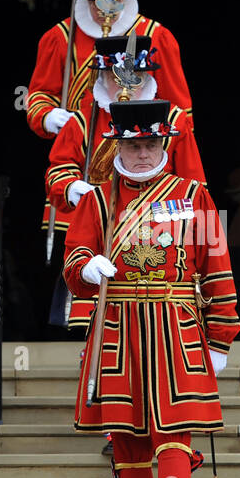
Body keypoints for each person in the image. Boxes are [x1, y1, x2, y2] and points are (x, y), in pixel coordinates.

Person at [63, 99, 239, 478]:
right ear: (118, 145)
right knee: (127, 439)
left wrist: (220, 336)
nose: (143, 153)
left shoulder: (193, 194)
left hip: (175, 322)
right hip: (117, 326)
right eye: (133, 144)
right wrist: (86, 266)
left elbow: (216, 265)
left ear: (163, 142)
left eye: (150, 143)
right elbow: (73, 260)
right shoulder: (97, 199)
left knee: (173, 431)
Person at [27, 0, 194, 248]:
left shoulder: (156, 37)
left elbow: (181, 114)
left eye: (114, 1)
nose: (107, 12)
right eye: (97, 4)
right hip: (84, 161)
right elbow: (38, 95)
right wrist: (49, 116)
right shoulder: (60, 37)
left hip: (150, 168)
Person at [46, 33, 206, 332]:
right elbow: (57, 169)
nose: (124, 86)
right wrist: (71, 186)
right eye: (115, 77)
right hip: (99, 225)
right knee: (96, 324)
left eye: (134, 76)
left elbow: (195, 187)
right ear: (102, 78)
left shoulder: (175, 121)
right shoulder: (81, 119)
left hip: (161, 232)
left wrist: (201, 245)